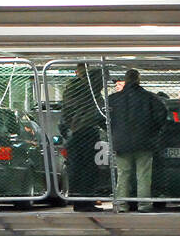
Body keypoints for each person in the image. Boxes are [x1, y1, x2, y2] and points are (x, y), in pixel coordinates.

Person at [107, 69, 168, 212]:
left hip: (121, 142)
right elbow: (162, 114)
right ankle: (144, 205)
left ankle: (122, 205)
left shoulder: (113, 99)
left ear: (125, 80)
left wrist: (113, 131)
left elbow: (103, 117)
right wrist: (154, 130)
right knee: (143, 175)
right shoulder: (149, 98)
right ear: (138, 80)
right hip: (144, 141)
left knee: (123, 174)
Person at [62, 63, 107, 207]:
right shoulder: (93, 93)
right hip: (89, 132)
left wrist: (70, 128)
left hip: (75, 134)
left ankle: (77, 201)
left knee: (75, 169)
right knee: (89, 169)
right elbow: (100, 115)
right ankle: (87, 201)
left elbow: (65, 115)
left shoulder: (70, 90)